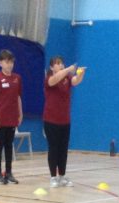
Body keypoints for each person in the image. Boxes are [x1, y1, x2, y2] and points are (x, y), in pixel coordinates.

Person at [43, 56, 85, 187]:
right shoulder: (49, 78)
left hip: (65, 120)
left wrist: (80, 74)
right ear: (51, 67)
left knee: (63, 149)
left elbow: (75, 81)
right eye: (57, 64)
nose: (61, 65)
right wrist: (68, 69)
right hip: (51, 120)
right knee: (53, 148)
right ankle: (53, 177)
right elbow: (54, 80)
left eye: (62, 63)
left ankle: (62, 176)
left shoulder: (67, 77)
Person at [0, 49, 22, 185]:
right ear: (0, 63)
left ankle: (8, 173)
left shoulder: (17, 78)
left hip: (12, 118)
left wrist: (20, 114)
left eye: (11, 62)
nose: (9, 65)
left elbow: (18, 97)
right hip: (0, 119)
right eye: (7, 62)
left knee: (9, 146)